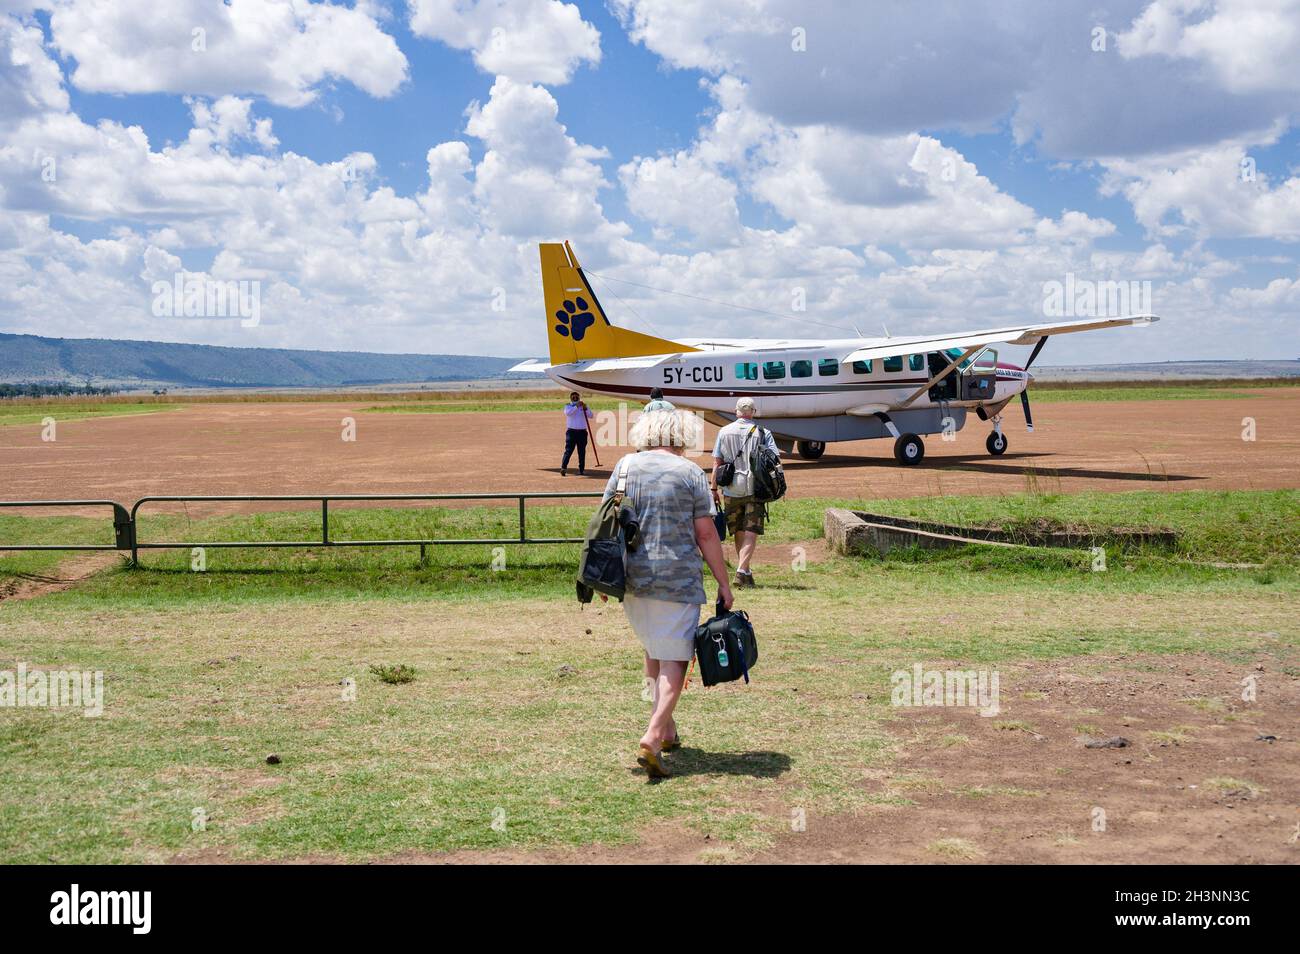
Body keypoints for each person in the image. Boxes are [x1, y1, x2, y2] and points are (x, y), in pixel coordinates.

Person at [602, 409, 733, 779]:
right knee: (675, 658)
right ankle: (654, 733)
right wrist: (724, 583)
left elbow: (606, 524)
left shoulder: (624, 467)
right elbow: (706, 535)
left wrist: (602, 579)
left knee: (654, 649)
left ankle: (668, 728)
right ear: (680, 436)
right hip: (678, 579)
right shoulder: (690, 472)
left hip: (632, 580)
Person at [711, 397, 778, 588]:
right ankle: (742, 571)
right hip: (755, 488)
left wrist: (713, 488)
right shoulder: (763, 432)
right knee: (751, 530)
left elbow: (717, 463)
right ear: (753, 412)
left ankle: (745, 571)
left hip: (731, 488)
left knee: (738, 529)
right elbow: (774, 460)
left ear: (736, 411)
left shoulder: (723, 432)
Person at [561, 391, 593, 476]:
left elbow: (591, 415)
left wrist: (586, 409)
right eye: (573, 396)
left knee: (581, 451)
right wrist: (576, 406)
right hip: (571, 432)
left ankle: (581, 469)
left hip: (582, 432)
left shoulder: (583, 406)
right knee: (568, 451)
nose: (575, 398)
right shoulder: (568, 406)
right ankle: (563, 467)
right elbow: (568, 413)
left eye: (576, 396)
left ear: (579, 397)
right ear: (570, 397)